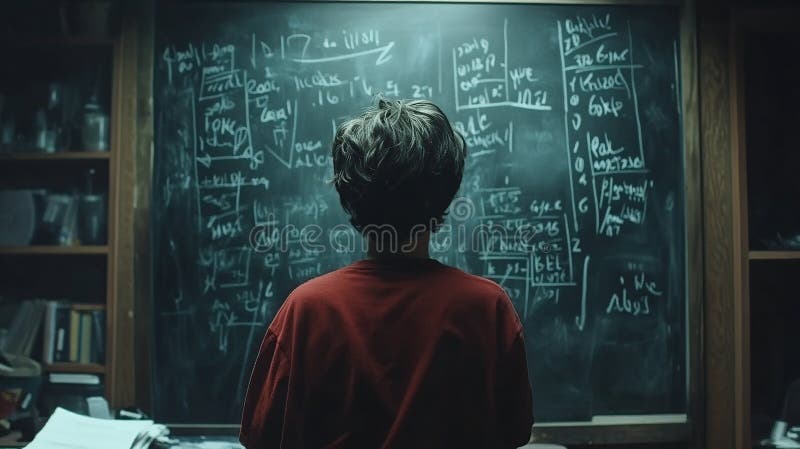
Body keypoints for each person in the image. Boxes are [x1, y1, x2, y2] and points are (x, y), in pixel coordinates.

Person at [240, 98, 533, 449]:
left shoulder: (306, 310)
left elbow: (262, 436)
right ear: (446, 193)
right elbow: (514, 432)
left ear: (350, 196)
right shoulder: (487, 308)